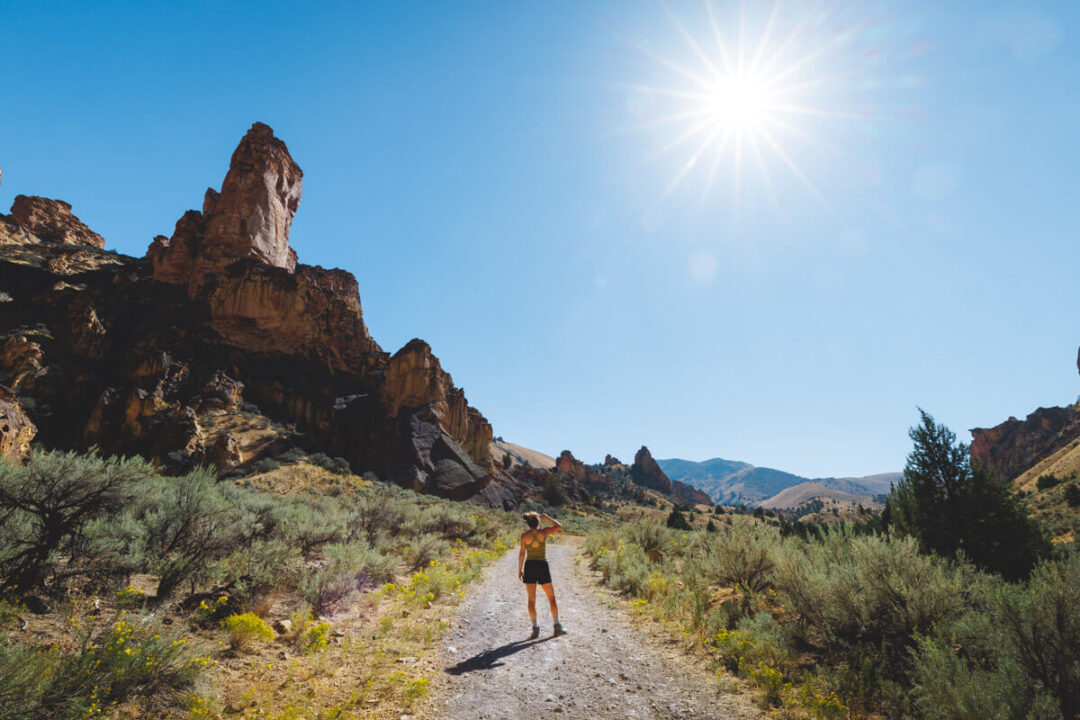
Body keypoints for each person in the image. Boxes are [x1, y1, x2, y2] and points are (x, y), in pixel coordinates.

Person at [518, 511, 565, 638]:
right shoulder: (544, 532)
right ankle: (557, 626)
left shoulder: (524, 536)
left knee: (531, 600)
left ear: (528, 523)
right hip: (542, 566)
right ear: (539, 521)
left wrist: (519, 570)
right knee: (551, 598)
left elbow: (522, 553)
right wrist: (548, 517)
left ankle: (535, 628)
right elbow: (559, 526)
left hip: (530, 566)